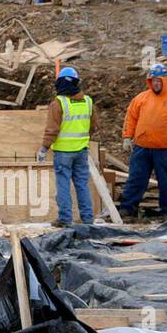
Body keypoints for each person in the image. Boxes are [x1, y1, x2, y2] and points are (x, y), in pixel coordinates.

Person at [117, 63, 167, 219]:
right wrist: (126, 137)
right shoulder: (141, 98)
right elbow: (131, 119)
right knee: (136, 178)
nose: (156, 84)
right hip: (142, 148)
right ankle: (128, 208)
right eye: (153, 80)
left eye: (159, 80)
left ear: (165, 80)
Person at [37, 66, 96, 227]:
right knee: (82, 185)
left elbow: (52, 129)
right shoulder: (88, 101)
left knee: (63, 185)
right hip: (81, 151)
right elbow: (93, 126)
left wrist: (43, 149)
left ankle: (65, 219)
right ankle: (88, 218)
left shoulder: (59, 103)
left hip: (63, 153)